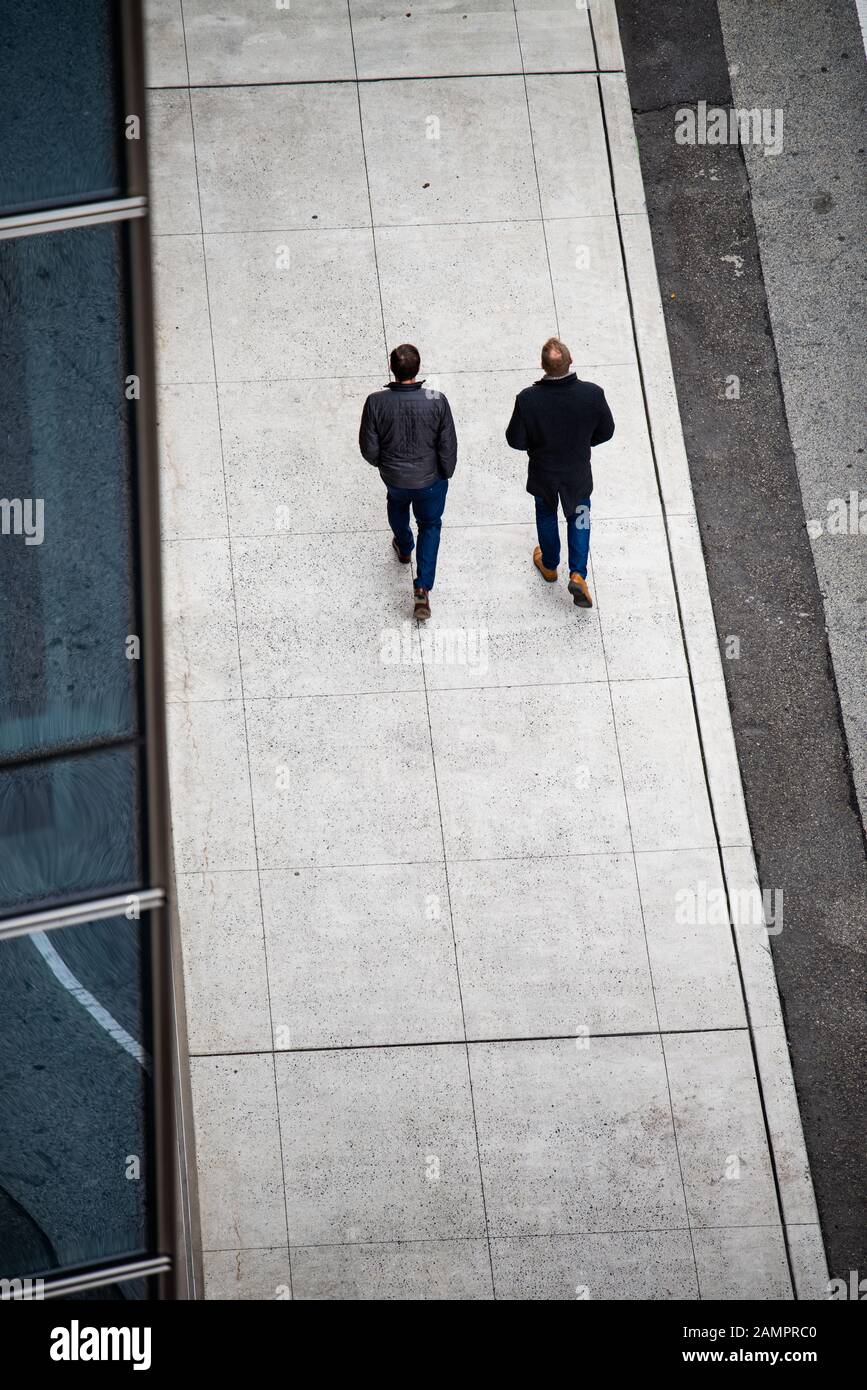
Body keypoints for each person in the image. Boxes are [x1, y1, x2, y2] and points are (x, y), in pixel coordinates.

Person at [506, 337, 614, 608]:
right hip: (576, 473)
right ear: (571, 361)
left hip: (543, 473)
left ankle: (550, 564)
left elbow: (515, 440)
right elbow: (607, 431)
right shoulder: (593, 394)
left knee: (545, 513)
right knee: (580, 516)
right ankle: (577, 573)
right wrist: (582, 443)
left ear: (542, 366)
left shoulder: (528, 399)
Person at [358, 344, 457, 621]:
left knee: (397, 506)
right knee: (430, 525)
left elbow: (368, 447)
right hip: (431, 480)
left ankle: (403, 546)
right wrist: (445, 472)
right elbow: (447, 444)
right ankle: (423, 586)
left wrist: (384, 465)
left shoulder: (376, 402)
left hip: (395, 478)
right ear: (418, 368)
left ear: (392, 368)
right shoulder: (437, 400)